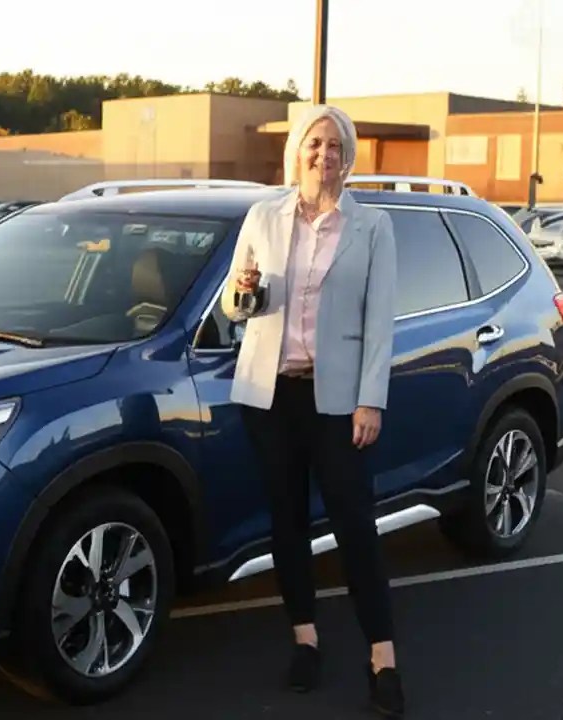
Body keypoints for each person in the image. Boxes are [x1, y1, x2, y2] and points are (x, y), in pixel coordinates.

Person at [219, 104, 404, 717]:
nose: (324, 155)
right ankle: (305, 640)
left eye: (335, 147)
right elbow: (236, 307)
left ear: (348, 160)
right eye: (315, 144)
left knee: (355, 526)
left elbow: (379, 323)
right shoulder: (262, 217)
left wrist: (369, 399)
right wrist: (244, 291)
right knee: (287, 525)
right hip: (271, 397)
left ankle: (382, 658)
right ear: (296, 151)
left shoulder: (372, 227)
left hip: (338, 402)